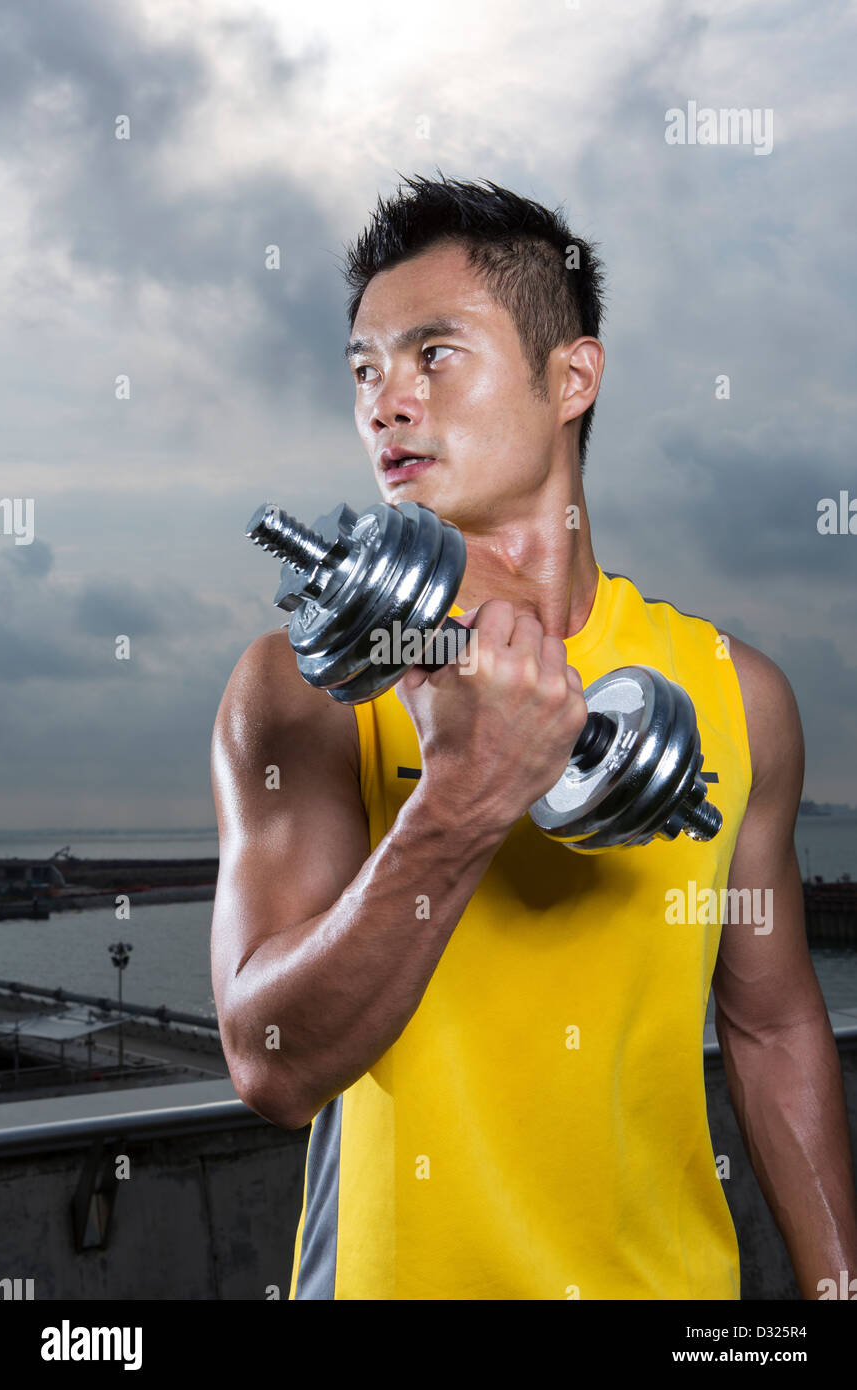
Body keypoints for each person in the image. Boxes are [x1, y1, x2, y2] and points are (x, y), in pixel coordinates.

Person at [209, 174, 857, 1300]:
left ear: (571, 377)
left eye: (432, 354)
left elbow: (770, 1021)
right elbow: (270, 1064)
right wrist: (459, 800)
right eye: (363, 368)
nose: (385, 402)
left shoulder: (732, 694)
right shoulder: (307, 694)